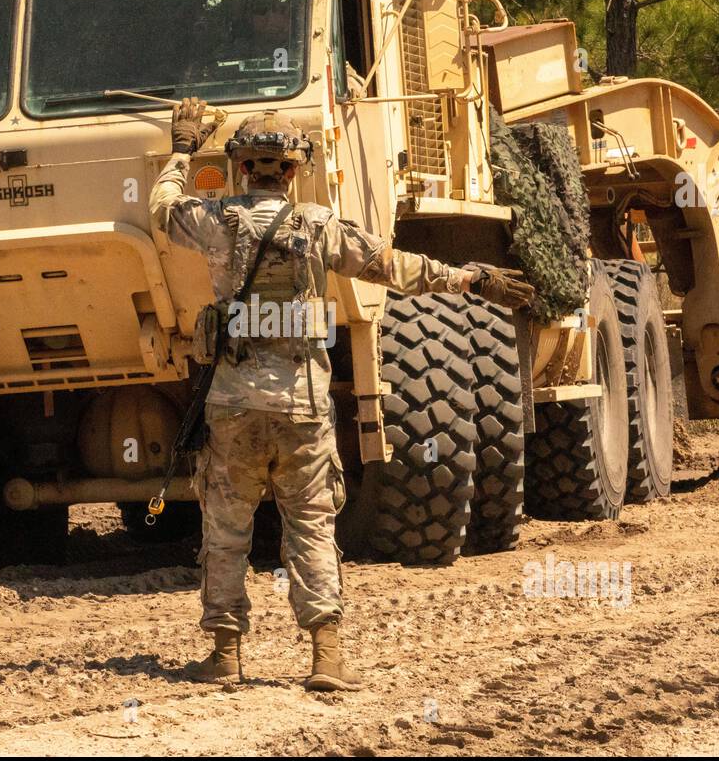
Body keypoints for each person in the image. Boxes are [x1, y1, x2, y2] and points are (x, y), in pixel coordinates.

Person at [150, 99, 534, 691]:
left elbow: (162, 208)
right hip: (302, 406)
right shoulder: (319, 227)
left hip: (232, 406)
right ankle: (325, 658)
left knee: (225, 529)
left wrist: (180, 146)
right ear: (296, 171)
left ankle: (226, 655)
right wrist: (466, 279)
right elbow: (394, 266)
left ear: (241, 169)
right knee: (310, 527)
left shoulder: (214, 221)